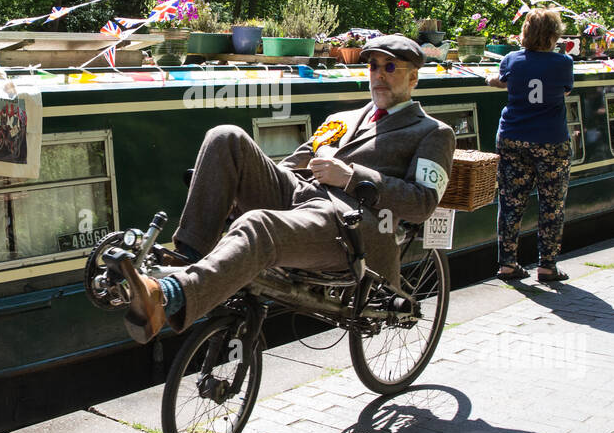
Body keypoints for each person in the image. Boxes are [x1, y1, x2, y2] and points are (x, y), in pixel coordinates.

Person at [110, 35, 456, 343]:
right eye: (373, 66)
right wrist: (242, 180)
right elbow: (296, 162)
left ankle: (169, 295)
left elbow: (423, 202)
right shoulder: (347, 118)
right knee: (226, 136)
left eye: (390, 67)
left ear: (413, 77)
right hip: (300, 197)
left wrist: (350, 176)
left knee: (258, 224)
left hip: (349, 226)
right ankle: (191, 259)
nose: (378, 75)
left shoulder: (433, 132)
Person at [485, 8, 574, 283]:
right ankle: (547, 266)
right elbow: (565, 91)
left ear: (525, 33)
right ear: (553, 36)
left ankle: (508, 264)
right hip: (551, 142)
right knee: (551, 205)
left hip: (513, 138)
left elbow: (503, 82)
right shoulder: (563, 63)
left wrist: (491, 81)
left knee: (511, 202)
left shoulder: (511, 60)